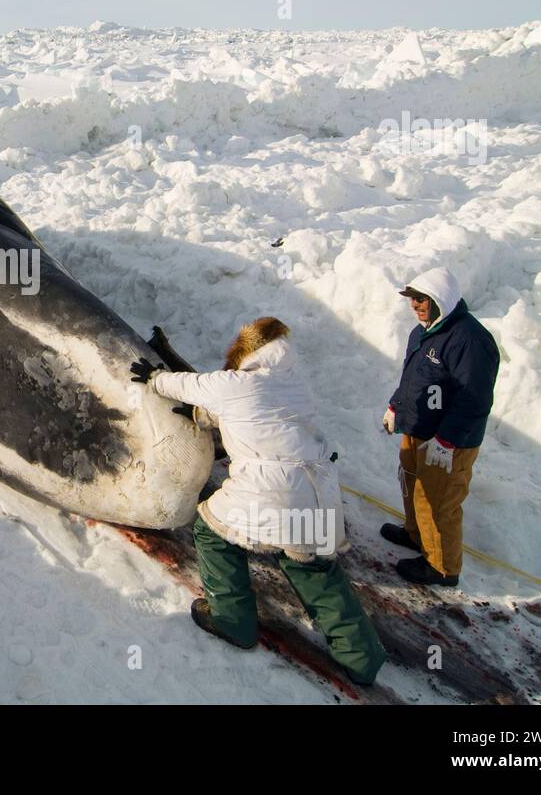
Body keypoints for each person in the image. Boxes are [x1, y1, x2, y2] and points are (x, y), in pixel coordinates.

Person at [134, 316, 386, 686]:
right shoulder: (292, 382)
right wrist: (204, 416)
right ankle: (362, 657)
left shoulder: (236, 382)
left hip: (273, 489)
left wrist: (156, 379)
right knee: (313, 567)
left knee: (211, 530)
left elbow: (189, 384)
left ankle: (232, 619)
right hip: (319, 491)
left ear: (245, 354)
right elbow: (260, 414)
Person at [381, 267, 499, 587]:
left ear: (441, 299)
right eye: (412, 299)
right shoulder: (422, 331)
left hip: (447, 440)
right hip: (418, 427)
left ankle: (442, 567)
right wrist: (396, 404)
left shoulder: (471, 340)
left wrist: (447, 440)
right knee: (411, 483)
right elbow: (414, 379)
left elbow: (474, 399)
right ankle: (416, 535)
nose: (414, 305)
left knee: (437, 500)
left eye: (421, 299)